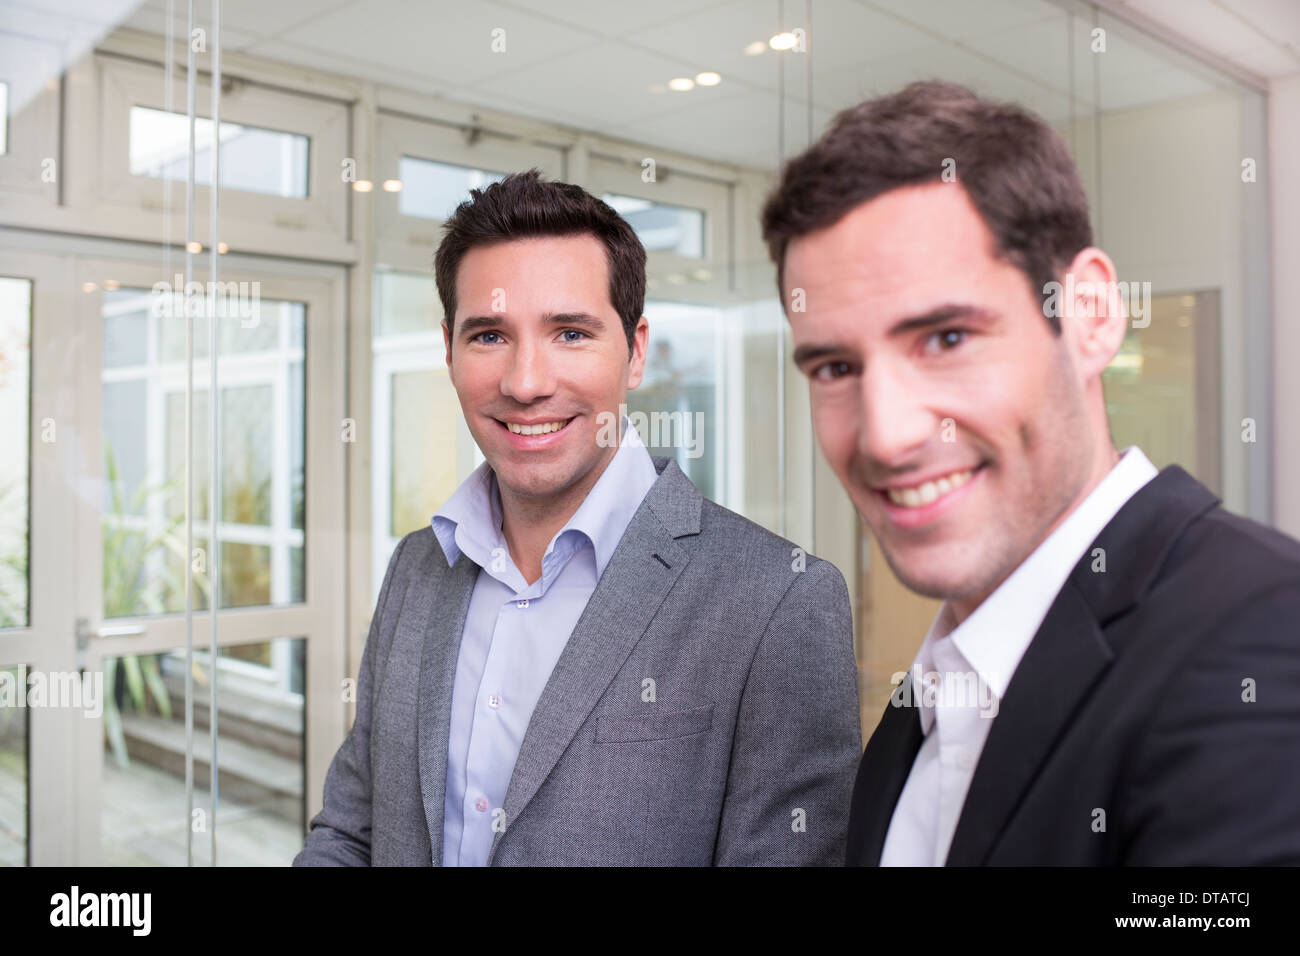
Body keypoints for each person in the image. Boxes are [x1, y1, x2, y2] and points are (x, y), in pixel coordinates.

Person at [760, 80, 1300, 865]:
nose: (887, 435)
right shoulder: (927, 696)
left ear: (1089, 314)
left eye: (945, 338)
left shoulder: (1262, 636)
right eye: (836, 366)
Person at [295, 170, 861, 866]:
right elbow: (351, 834)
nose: (527, 383)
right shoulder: (417, 567)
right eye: (489, 336)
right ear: (448, 351)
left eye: (570, 332)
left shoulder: (778, 602)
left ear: (636, 351)